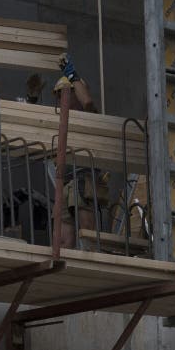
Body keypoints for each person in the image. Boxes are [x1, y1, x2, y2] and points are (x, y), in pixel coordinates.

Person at [54, 54, 110, 248]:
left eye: (66, 93)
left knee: (87, 233)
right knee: (63, 241)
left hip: (84, 178)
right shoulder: (59, 121)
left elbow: (87, 102)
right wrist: (31, 99)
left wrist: (71, 74)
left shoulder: (88, 117)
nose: (62, 99)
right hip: (65, 181)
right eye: (60, 95)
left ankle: (92, 269)